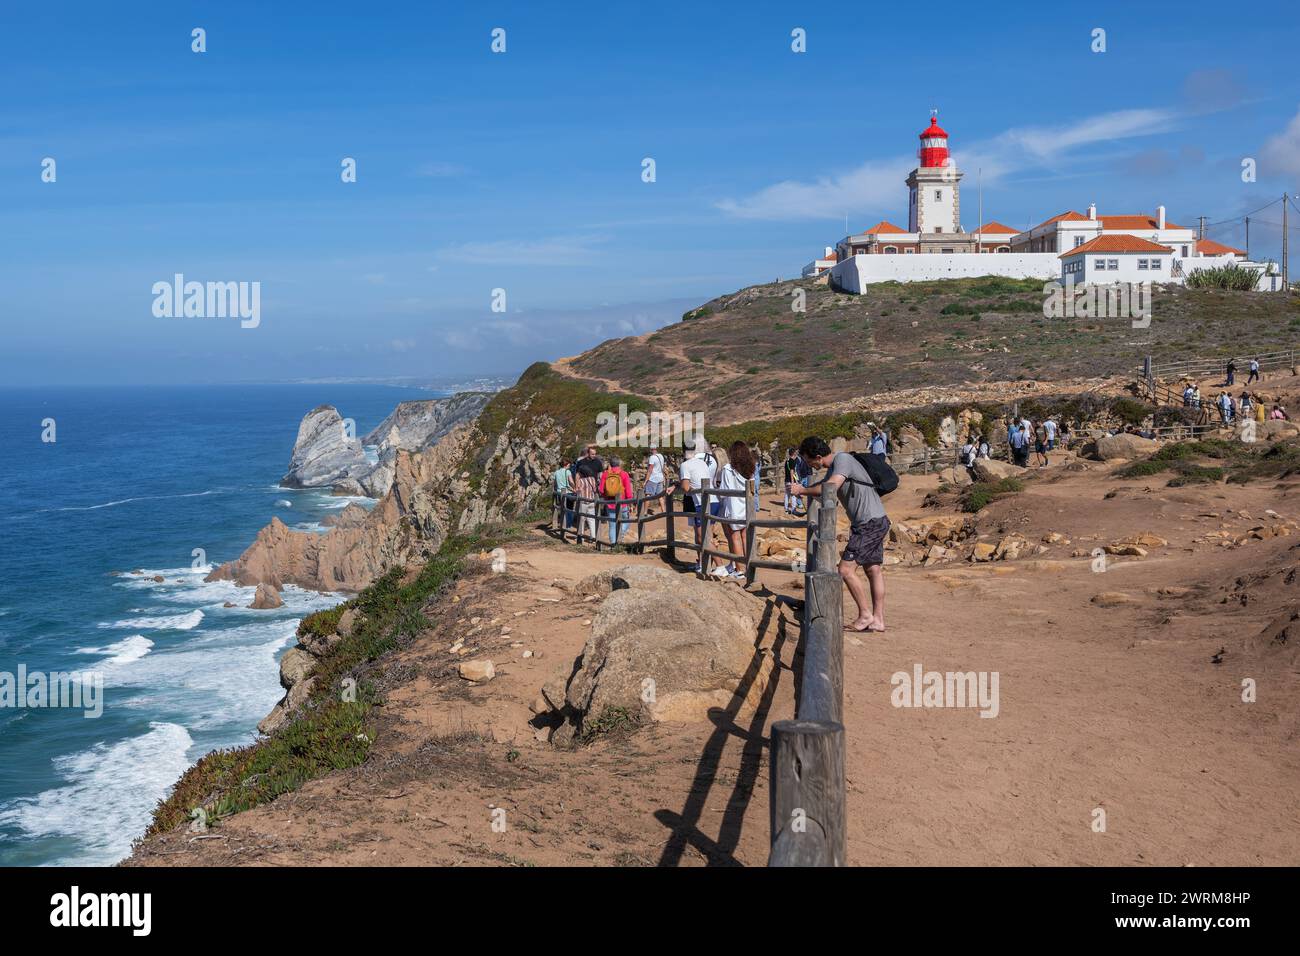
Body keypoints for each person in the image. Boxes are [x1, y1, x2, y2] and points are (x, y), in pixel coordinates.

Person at [787, 437, 889, 633]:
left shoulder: (842, 460)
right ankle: (878, 620)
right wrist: (804, 492)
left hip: (869, 523)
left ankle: (866, 615)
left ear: (818, 457)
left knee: (844, 570)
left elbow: (830, 488)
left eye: (809, 461)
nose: (810, 465)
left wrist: (802, 489)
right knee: (872, 570)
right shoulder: (836, 466)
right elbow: (821, 491)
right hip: (875, 520)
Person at [676, 434, 720, 573]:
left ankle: (720, 565)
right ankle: (705, 565)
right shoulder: (702, 462)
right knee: (708, 536)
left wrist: (680, 487)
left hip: (702, 502)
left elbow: (685, 488)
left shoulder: (684, 465)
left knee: (703, 537)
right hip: (713, 500)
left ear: (683, 450)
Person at [712, 441, 755, 581]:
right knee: (745, 537)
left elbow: (724, 492)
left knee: (735, 537)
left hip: (733, 507)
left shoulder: (728, 469)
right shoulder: (750, 468)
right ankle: (749, 566)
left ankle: (739, 569)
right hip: (746, 507)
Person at [599, 456, 633, 545]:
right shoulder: (624, 474)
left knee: (612, 525)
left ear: (610, 464)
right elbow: (628, 491)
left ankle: (613, 545)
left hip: (610, 504)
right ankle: (620, 535)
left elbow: (601, 490)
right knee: (627, 520)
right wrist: (630, 503)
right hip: (623, 504)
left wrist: (606, 497)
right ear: (619, 464)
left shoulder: (605, 474)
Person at [573, 445, 604, 540]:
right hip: (586, 489)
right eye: (592, 454)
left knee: (586, 516)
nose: (594, 455)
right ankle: (584, 535)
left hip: (591, 489)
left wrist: (599, 485)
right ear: (587, 453)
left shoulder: (598, 462)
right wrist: (576, 486)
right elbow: (577, 475)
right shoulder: (581, 462)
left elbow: (600, 474)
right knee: (586, 516)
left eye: (595, 454)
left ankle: (584, 535)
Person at [643, 444, 665, 515]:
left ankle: (645, 512)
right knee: (660, 496)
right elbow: (663, 467)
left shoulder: (652, 457)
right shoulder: (661, 456)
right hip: (660, 478)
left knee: (648, 494)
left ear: (651, 449)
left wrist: (646, 480)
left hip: (653, 478)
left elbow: (650, 470)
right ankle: (663, 511)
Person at [553, 457, 573, 529]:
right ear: (566, 464)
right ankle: (568, 525)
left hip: (559, 493)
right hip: (568, 492)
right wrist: (574, 488)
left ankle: (563, 523)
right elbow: (571, 482)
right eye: (569, 464)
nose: (569, 466)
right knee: (569, 509)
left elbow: (554, 483)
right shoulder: (567, 472)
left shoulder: (556, 472)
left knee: (563, 509)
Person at [782, 447, 800, 514]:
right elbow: (792, 471)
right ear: (794, 453)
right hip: (791, 481)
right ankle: (793, 509)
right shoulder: (792, 461)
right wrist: (793, 481)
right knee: (793, 495)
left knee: (787, 495)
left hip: (786, 481)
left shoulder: (787, 461)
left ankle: (786, 509)